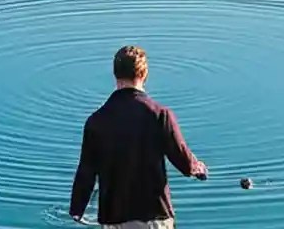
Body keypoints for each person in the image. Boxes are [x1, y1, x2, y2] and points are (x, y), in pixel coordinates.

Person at [70, 45, 208, 228]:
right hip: (155, 216)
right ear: (144, 75)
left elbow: (86, 173)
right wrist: (196, 168)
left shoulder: (97, 121)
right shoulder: (160, 115)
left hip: (114, 218)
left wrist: (77, 210)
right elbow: (182, 159)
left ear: (115, 75)